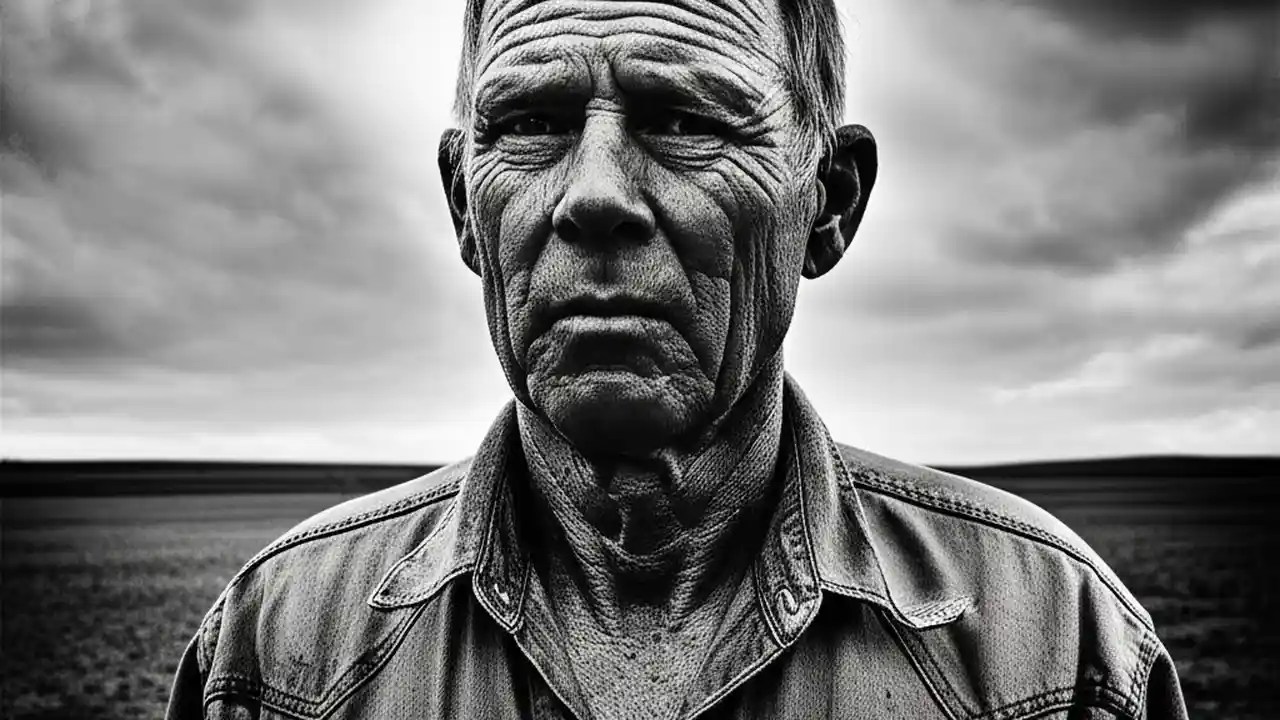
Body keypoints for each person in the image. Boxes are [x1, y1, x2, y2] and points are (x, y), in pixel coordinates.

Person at [167, 0, 1188, 717]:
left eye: (683, 120)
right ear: (460, 204)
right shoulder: (277, 649)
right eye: (528, 124)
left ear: (826, 200)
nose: (592, 196)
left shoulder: (1051, 650)